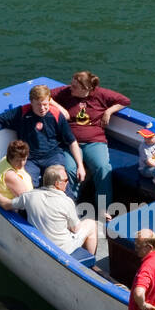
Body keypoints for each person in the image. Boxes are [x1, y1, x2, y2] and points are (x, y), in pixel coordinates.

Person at [0, 85, 85, 200]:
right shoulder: (22, 113)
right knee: (27, 187)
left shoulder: (56, 115)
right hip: (29, 158)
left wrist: (80, 165)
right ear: (31, 102)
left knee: (60, 181)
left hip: (53, 156)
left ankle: (70, 208)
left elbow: (72, 141)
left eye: (45, 104)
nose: (43, 108)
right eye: (38, 104)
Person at [50, 71, 130, 214]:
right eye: (71, 84)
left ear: (86, 88)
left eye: (75, 86)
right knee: (69, 170)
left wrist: (108, 111)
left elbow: (125, 101)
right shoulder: (65, 92)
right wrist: (61, 109)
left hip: (94, 141)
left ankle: (103, 207)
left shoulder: (101, 94)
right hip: (71, 141)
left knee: (103, 167)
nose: (70, 88)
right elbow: (45, 95)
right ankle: (70, 204)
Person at [0, 164, 98, 257]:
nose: (67, 183)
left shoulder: (28, 196)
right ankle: (89, 263)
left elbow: (6, 204)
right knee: (92, 224)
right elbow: (76, 229)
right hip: (63, 248)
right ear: (58, 184)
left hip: (42, 243)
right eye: (66, 180)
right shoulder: (67, 202)